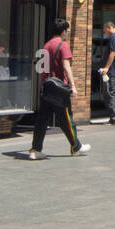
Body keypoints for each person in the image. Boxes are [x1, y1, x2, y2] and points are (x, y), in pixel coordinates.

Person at [29, 19, 90, 160]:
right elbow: (66, 66)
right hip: (58, 89)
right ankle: (76, 147)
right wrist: (73, 86)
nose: (68, 33)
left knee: (42, 120)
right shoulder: (63, 45)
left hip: (46, 87)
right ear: (63, 31)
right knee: (67, 119)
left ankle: (35, 149)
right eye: (67, 30)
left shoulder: (47, 44)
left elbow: (43, 67)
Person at [98, 21, 115, 124]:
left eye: (106, 31)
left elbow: (113, 53)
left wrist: (106, 67)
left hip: (113, 71)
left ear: (110, 27)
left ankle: (114, 117)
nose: (105, 34)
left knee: (110, 93)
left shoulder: (113, 37)